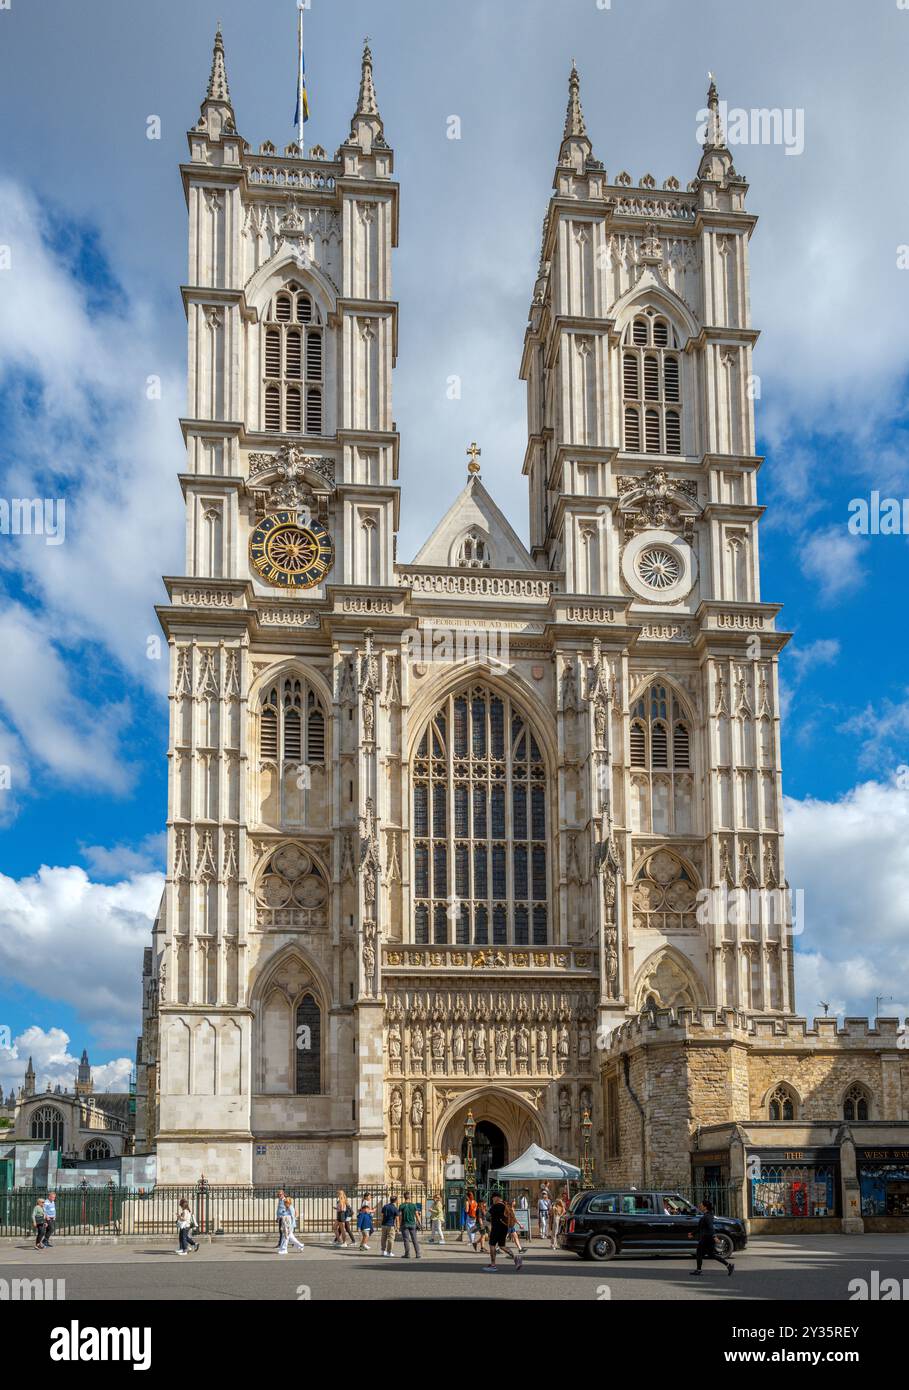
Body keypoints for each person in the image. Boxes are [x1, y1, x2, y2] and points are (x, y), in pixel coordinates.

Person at [689, 1201, 734, 1278]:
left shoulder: (707, 1216)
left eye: (701, 1205)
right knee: (711, 1254)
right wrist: (692, 1233)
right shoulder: (707, 1215)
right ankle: (728, 1265)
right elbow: (700, 1228)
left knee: (699, 1253)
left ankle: (698, 1270)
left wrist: (714, 1236)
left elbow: (711, 1227)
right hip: (707, 1238)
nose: (700, 1206)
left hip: (707, 1238)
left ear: (705, 1207)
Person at [483, 1191, 523, 1273]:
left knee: (492, 1245)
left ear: (496, 1197)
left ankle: (493, 1265)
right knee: (502, 1246)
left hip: (496, 1228)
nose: (492, 1200)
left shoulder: (496, 1206)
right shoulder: (505, 1205)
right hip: (505, 1228)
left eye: (493, 1198)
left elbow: (487, 1216)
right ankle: (516, 1257)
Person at [399, 1191, 422, 1259]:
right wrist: (419, 1223)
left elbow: (400, 1216)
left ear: (404, 1197)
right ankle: (418, 1254)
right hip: (412, 1224)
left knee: (406, 1239)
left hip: (405, 1224)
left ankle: (407, 1254)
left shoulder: (401, 1205)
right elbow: (417, 1215)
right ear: (410, 1197)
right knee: (415, 1239)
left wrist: (399, 1224)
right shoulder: (413, 1205)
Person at [380, 1192, 399, 1257]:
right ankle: (389, 1252)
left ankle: (383, 1251)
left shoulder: (385, 1206)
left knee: (383, 1238)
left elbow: (382, 1216)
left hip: (384, 1224)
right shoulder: (395, 1208)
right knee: (391, 1239)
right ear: (396, 1201)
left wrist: (381, 1223)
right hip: (391, 1225)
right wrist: (398, 1227)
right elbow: (397, 1218)